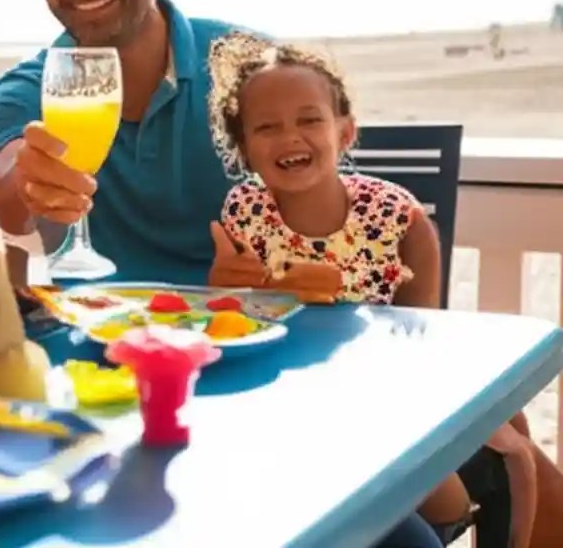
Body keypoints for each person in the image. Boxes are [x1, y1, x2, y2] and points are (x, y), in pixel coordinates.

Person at [204, 31, 562, 548]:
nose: (290, 138)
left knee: (512, 458)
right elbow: (236, 329)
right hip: (291, 412)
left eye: (310, 120)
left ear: (345, 132)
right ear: (242, 150)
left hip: (385, 405)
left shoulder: (401, 223)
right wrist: (221, 295)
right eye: (266, 127)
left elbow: (422, 345)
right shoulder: (244, 214)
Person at [0, 0, 257, 284]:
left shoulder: (254, 67)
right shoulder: (24, 92)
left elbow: (340, 209)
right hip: (91, 338)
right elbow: (7, 198)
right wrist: (30, 181)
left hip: (244, 330)